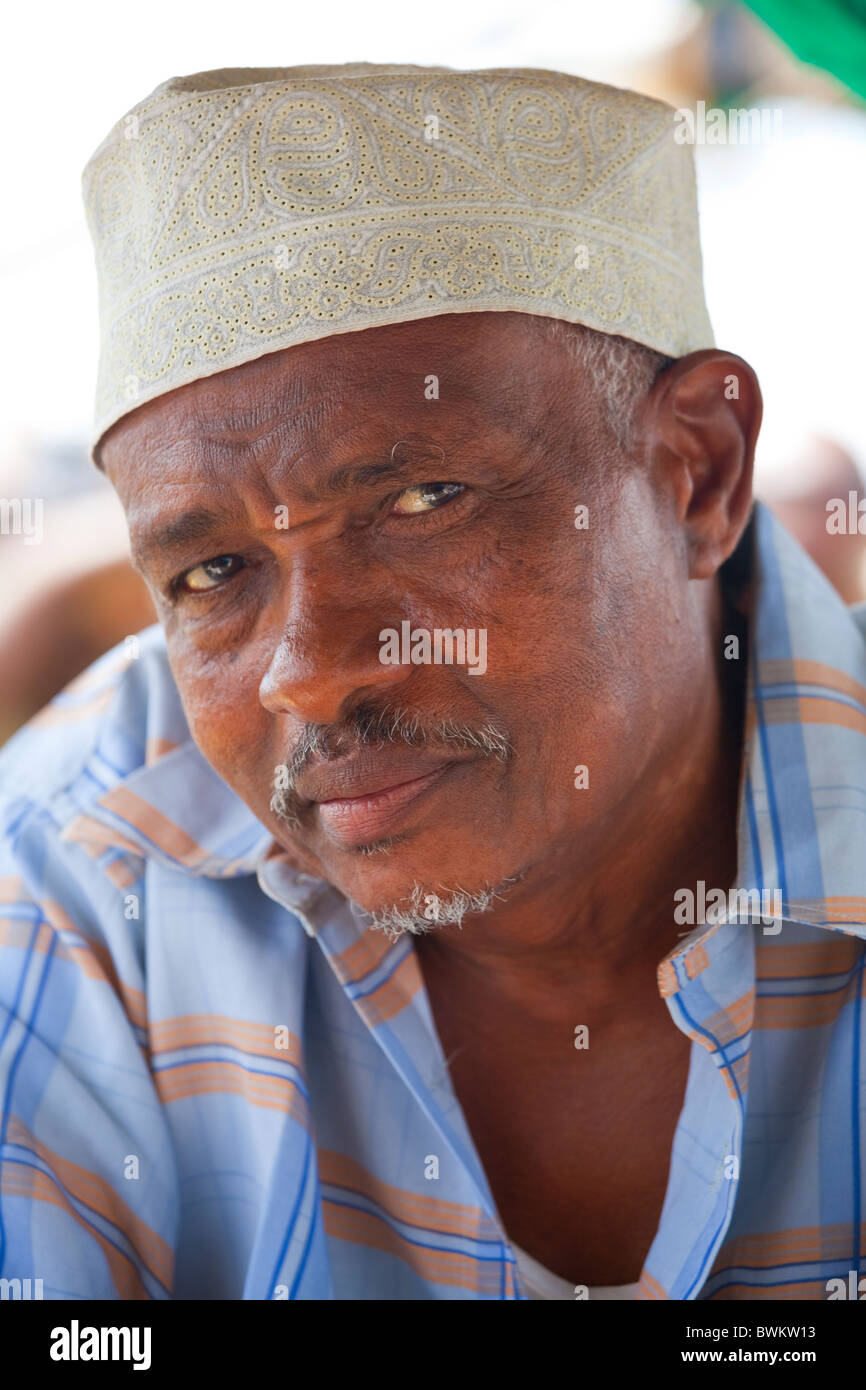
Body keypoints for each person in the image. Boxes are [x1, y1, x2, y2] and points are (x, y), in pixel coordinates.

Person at [0, 63, 863, 1302]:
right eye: (212, 573)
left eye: (419, 501)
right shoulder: (71, 871)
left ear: (696, 472)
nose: (307, 675)